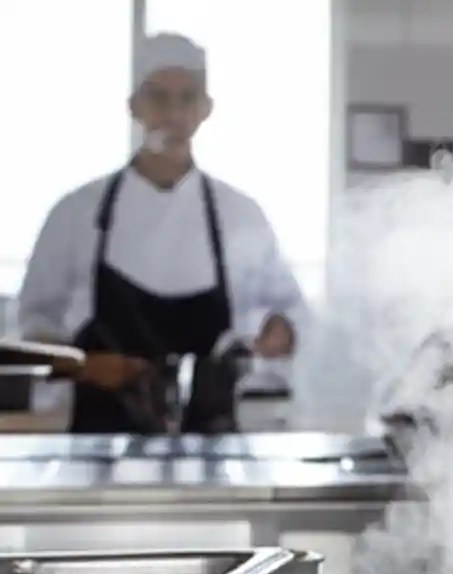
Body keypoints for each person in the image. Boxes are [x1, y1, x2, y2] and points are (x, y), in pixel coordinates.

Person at [18, 33, 305, 434]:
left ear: (206, 109)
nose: (173, 113)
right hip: (102, 444)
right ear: (133, 107)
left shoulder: (241, 215)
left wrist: (282, 330)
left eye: (187, 97)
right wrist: (85, 364)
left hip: (212, 446)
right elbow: (32, 322)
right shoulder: (76, 213)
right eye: (158, 96)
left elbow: (289, 310)